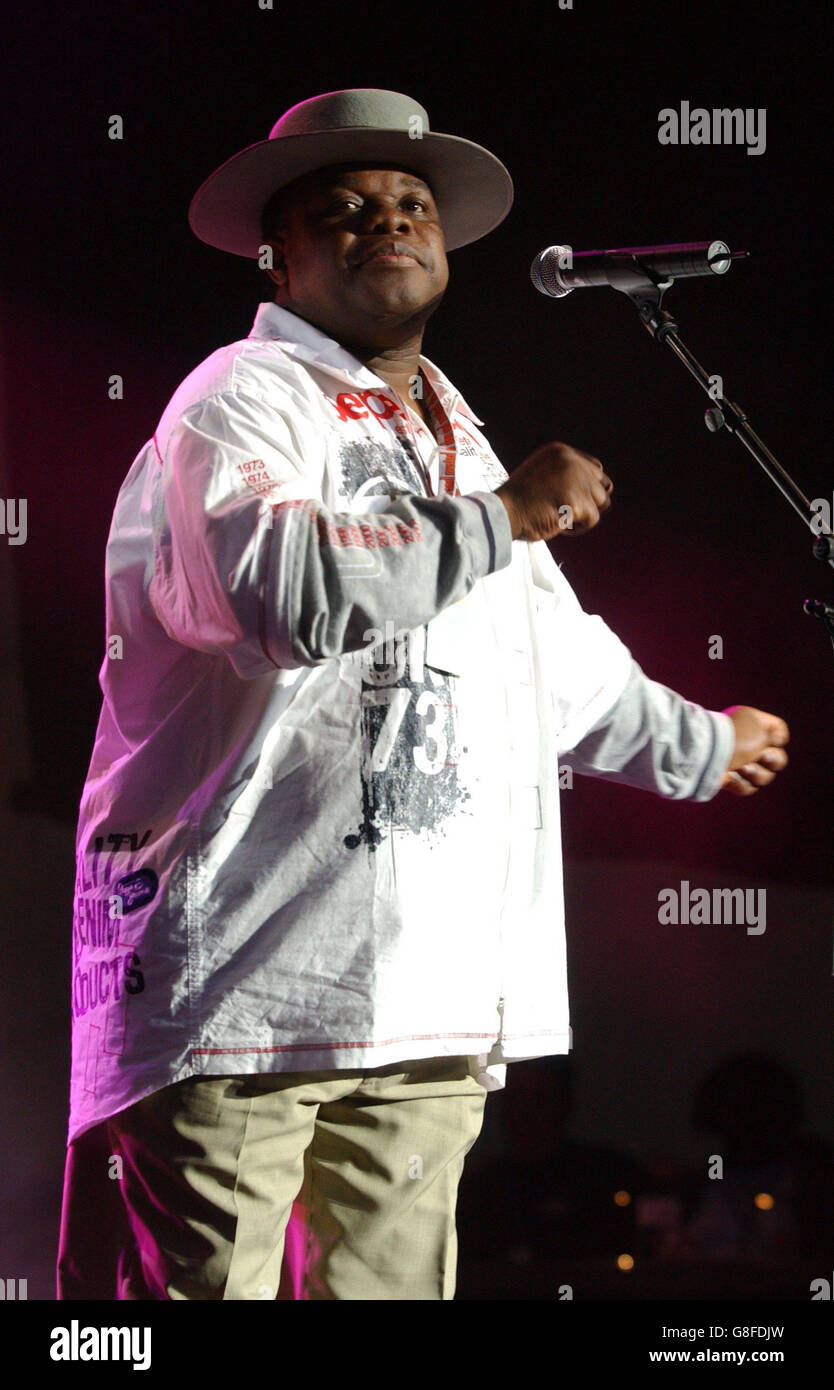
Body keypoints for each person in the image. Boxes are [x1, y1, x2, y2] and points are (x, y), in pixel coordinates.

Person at [56, 88, 789, 1302]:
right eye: (342, 210)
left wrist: (701, 744)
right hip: (237, 983)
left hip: (425, 997)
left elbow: (546, 663)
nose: (386, 222)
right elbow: (275, 595)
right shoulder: (238, 400)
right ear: (276, 255)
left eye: (409, 205)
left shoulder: (459, 432)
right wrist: (499, 520)